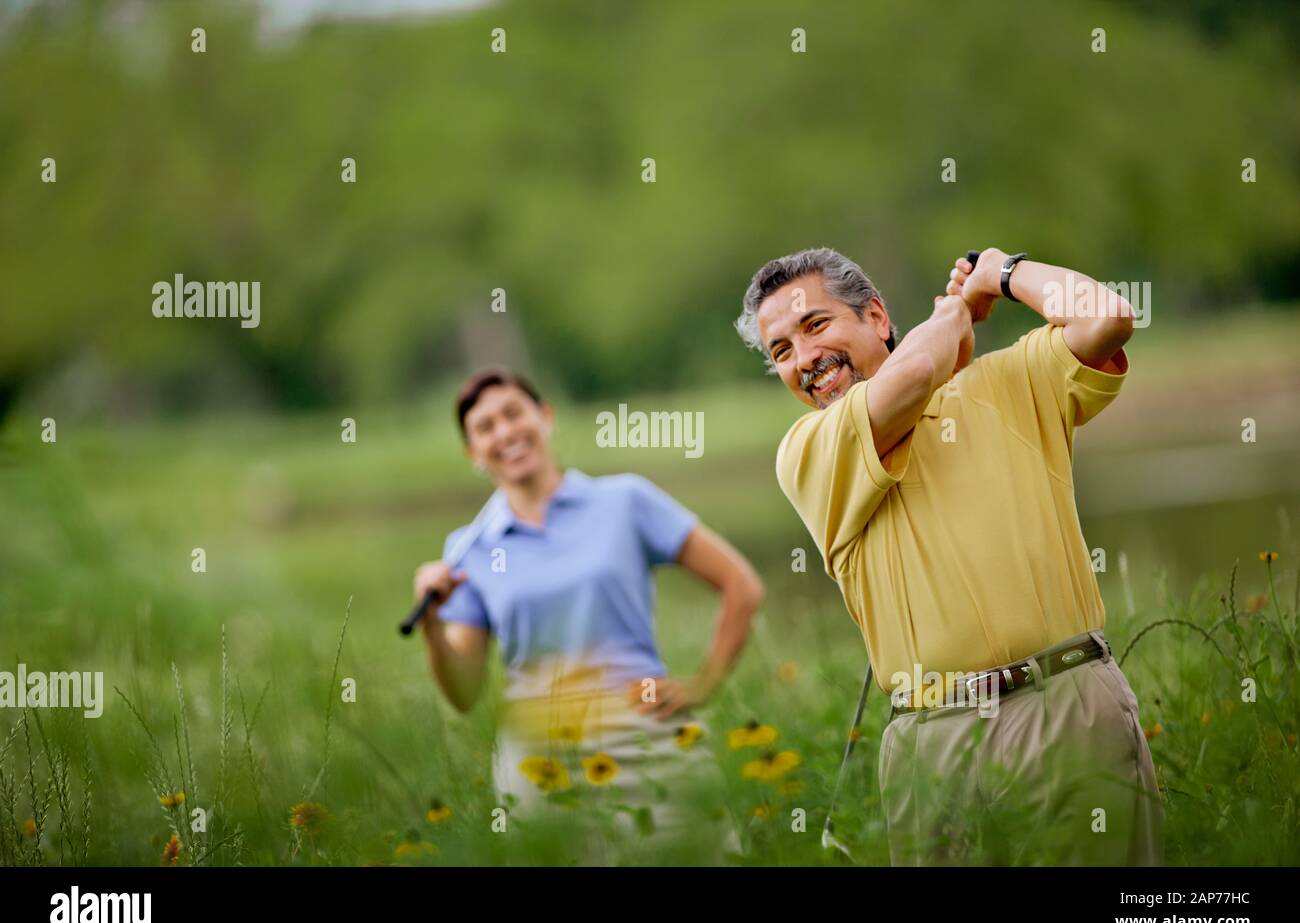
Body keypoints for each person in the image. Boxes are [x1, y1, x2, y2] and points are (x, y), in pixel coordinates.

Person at [734, 246, 1162, 865]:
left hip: (1064, 704)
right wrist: (959, 310)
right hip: (930, 746)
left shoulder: (1008, 382)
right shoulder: (808, 450)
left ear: (877, 317)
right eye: (781, 351)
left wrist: (1001, 275)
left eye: (815, 325)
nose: (804, 360)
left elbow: (1108, 317)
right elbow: (909, 377)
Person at [412, 368, 762, 862]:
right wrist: (432, 626)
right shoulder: (467, 549)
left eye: (514, 413)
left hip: (646, 732)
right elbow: (465, 692)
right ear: (473, 453)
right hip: (538, 756)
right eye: (485, 427)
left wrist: (702, 684)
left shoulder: (624, 501)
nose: (505, 432)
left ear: (545, 417)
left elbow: (740, 585)